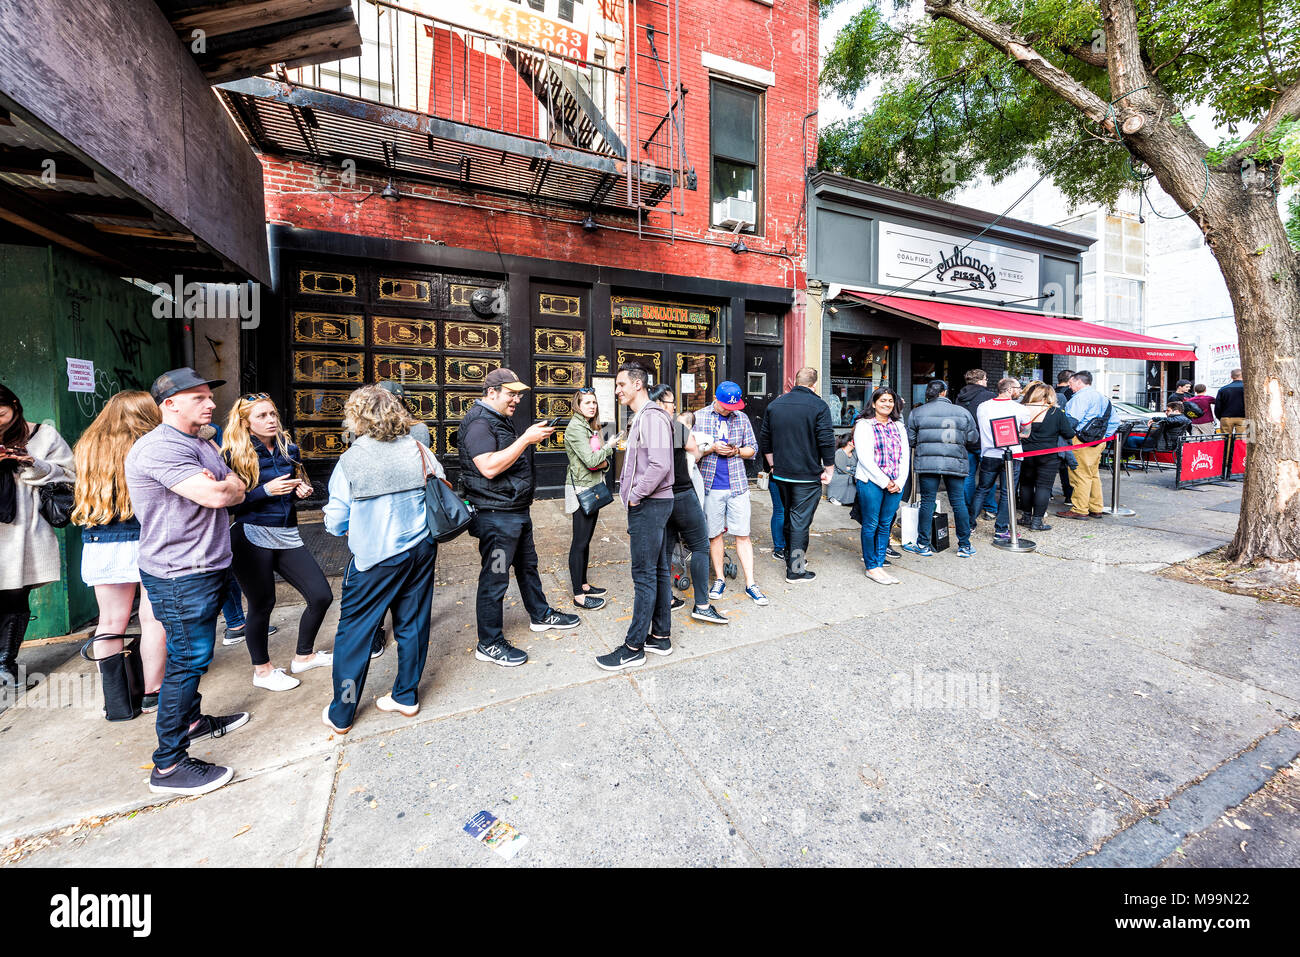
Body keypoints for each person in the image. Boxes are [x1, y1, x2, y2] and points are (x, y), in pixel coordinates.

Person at [125, 368, 249, 797]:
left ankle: (192, 722)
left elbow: (239, 484)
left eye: (208, 396)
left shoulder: (200, 442)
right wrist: (227, 485)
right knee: (188, 660)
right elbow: (219, 495)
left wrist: (229, 483)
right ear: (168, 404)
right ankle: (168, 765)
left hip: (207, 565)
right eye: (197, 397)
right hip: (180, 572)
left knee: (193, 656)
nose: (210, 403)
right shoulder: (158, 448)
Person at [321, 386, 439, 732]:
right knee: (413, 623)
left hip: (375, 558)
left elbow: (335, 519)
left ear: (357, 417)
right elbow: (439, 484)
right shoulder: (418, 449)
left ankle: (342, 712)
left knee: (354, 635)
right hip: (419, 548)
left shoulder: (352, 459)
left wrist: (348, 525)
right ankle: (405, 695)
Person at [460, 369, 579, 668]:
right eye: (511, 393)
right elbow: (488, 467)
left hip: (514, 513)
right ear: (492, 393)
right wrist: (525, 439)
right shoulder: (478, 423)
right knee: (495, 578)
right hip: (497, 518)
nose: (517, 398)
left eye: (518, 393)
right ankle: (488, 642)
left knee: (528, 567)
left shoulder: (497, 420)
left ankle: (541, 615)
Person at [222, 393, 333, 692]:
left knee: (321, 595)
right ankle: (263, 671)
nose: (271, 420)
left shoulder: (288, 447)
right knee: (262, 604)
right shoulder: (233, 454)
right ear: (245, 423)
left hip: (286, 533)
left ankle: (304, 656)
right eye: (261, 416)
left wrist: (301, 490)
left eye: (272, 414)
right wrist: (264, 491)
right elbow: (227, 505)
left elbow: (297, 482)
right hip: (250, 534)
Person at [71, 391, 167, 713]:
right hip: (146, 536)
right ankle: (154, 691)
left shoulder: (88, 445)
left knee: (111, 621)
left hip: (100, 540)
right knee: (153, 616)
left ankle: (116, 700)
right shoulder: (150, 444)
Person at [594, 365, 676, 672]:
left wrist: (635, 495)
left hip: (650, 504)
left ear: (638, 384)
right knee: (658, 571)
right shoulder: (645, 415)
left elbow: (659, 466)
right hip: (653, 503)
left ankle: (633, 647)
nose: (617, 390)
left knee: (644, 576)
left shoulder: (652, 416)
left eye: (621, 384)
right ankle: (661, 636)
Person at [0, 384, 75, 689]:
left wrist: (31, 463)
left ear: (15, 405)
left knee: (15, 595)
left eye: (1, 413)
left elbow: (69, 474)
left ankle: (5, 664)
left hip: (22, 532)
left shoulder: (43, 436)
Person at [651, 386, 728, 625]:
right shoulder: (674, 426)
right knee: (700, 546)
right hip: (682, 493)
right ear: (662, 404)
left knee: (664, 551)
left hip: (659, 496)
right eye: (671, 402)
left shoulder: (645, 427)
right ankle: (702, 605)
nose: (674, 406)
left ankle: (665, 600)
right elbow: (694, 451)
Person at [758, 367, 835, 583]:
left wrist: (772, 465)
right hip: (806, 476)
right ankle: (796, 569)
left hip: (781, 474)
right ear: (814, 385)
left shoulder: (775, 405)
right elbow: (826, 440)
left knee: (789, 516)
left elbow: (765, 439)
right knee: (800, 522)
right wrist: (829, 469)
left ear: (794, 382)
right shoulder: (819, 405)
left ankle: (789, 556)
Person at [694, 382, 768, 606]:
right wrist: (711, 448)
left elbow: (753, 449)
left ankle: (751, 583)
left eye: (733, 406)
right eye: (726, 406)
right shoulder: (699, 417)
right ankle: (719, 578)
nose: (730, 410)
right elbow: (690, 452)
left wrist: (736, 451)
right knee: (715, 534)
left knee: (743, 533)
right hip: (710, 485)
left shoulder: (742, 418)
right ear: (715, 399)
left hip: (737, 485)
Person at [904, 379, 978, 558]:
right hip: (955, 462)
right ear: (944, 392)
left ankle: (923, 544)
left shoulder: (917, 412)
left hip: (927, 463)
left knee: (928, 501)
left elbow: (911, 440)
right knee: (958, 502)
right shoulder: (963, 412)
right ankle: (964, 545)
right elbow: (973, 438)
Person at [563, 385, 617, 610]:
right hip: (581, 490)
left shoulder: (589, 427)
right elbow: (593, 461)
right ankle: (578, 594)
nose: (592, 406)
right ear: (578, 405)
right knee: (579, 542)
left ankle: (584, 585)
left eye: (594, 402)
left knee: (585, 542)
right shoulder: (576, 428)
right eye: (587, 402)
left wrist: (603, 455)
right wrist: (610, 447)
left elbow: (600, 460)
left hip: (592, 487)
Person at [854, 387, 909, 584]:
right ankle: (871, 566)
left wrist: (899, 482)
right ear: (874, 403)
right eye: (883, 400)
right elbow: (865, 459)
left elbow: (904, 457)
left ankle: (879, 562)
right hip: (871, 482)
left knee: (886, 523)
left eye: (890, 401)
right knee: (871, 523)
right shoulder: (864, 425)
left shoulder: (899, 426)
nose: (887, 404)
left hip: (896, 482)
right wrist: (885, 482)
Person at [974, 378, 1036, 542]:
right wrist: (1013, 435)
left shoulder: (983, 406)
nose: (1020, 391)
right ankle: (1001, 529)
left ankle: (969, 524)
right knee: (1007, 493)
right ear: (1009, 390)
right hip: (1013, 454)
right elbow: (1026, 433)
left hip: (989, 453)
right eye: (1018, 388)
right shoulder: (1020, 409)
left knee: (982, 489)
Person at [1058, 370, 1121, 520]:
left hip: (1080, 441)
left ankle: (1079, 509)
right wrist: (1104, 437)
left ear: (1079, 382)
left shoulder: (1080, 398)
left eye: (1071, 383)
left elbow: (1071, 421)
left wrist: (1065, 436)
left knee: (1080, 475)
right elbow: (1115, 421)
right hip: (1098, 442)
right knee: (1093, 475)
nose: (1070, 387)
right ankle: (1096, 507)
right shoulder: (1103, 398)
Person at [1016, 382, 1075, 531]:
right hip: (1049, 454)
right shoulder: (1055, 412)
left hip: (1025, 453)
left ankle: (1026, 517)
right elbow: (1069, 433)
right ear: (1049, 396)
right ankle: (1037, 522)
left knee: (1026, 485)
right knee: (1044, 487)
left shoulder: (1021, 410)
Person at [956, 369, 997, 517]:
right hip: (984, 441)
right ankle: (990, 508)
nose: (986, 382)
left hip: (966, 440)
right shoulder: (989, 396)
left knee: (968, 475)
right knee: (988, 475)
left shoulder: (960, 396)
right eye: (985, 379)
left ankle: (969, 507)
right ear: (980, 380)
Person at [1054, 370, 1075, 502]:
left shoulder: (1051, 391)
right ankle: (1069, 495)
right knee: (1067, 467)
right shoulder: (1070, 394)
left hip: (1051, 436)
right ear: (1070, 380)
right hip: (1066, 434)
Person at [826, 433, 857, 505]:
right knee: (849, 477)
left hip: (850, 475)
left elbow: (857, 467)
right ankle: (834, 497)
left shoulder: (855, 453)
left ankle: (849, 500)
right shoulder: (839, 452)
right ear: (849, 442)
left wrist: (850, 468)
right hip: (839, 477)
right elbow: (842, 470)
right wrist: (854, 469)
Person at [1216, 369, 1246, 437]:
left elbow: (1218, 406)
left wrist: (1220, 417)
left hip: (1226, 417)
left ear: (1231, 376)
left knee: (1226, 440)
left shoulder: (1223, 389)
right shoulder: (1246, 388)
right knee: (1241, 440)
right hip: (1243, 417)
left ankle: (1227, 448)